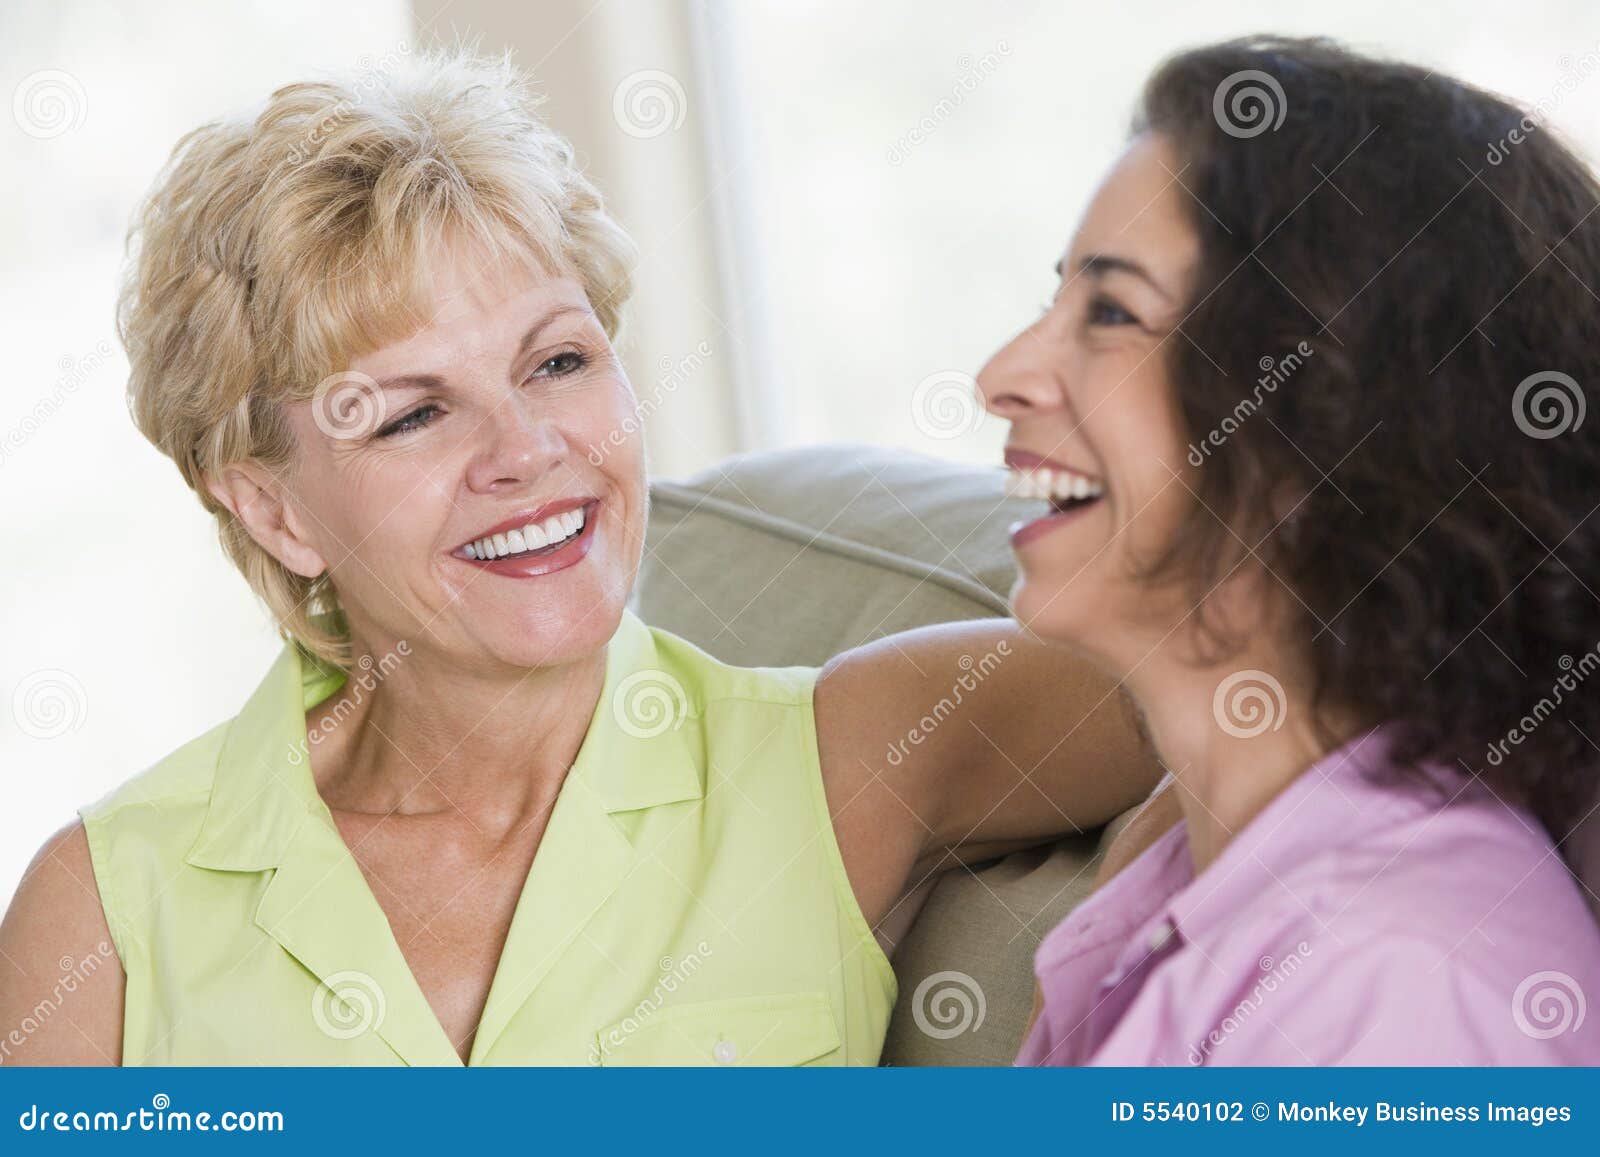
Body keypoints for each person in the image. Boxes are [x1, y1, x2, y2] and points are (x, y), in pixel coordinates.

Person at [0, 51, 1158, 1066]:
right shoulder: (99, 913)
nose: (526, 451)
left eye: (556, 361)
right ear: (275, 512)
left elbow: (1275, 664)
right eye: (411, 414)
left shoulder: (850, 757)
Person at [993, 36, 1600, 1065]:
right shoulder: (1193, 883)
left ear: (1330, 425)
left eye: (1108, 311)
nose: (1000, 373)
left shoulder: (1400, 990)